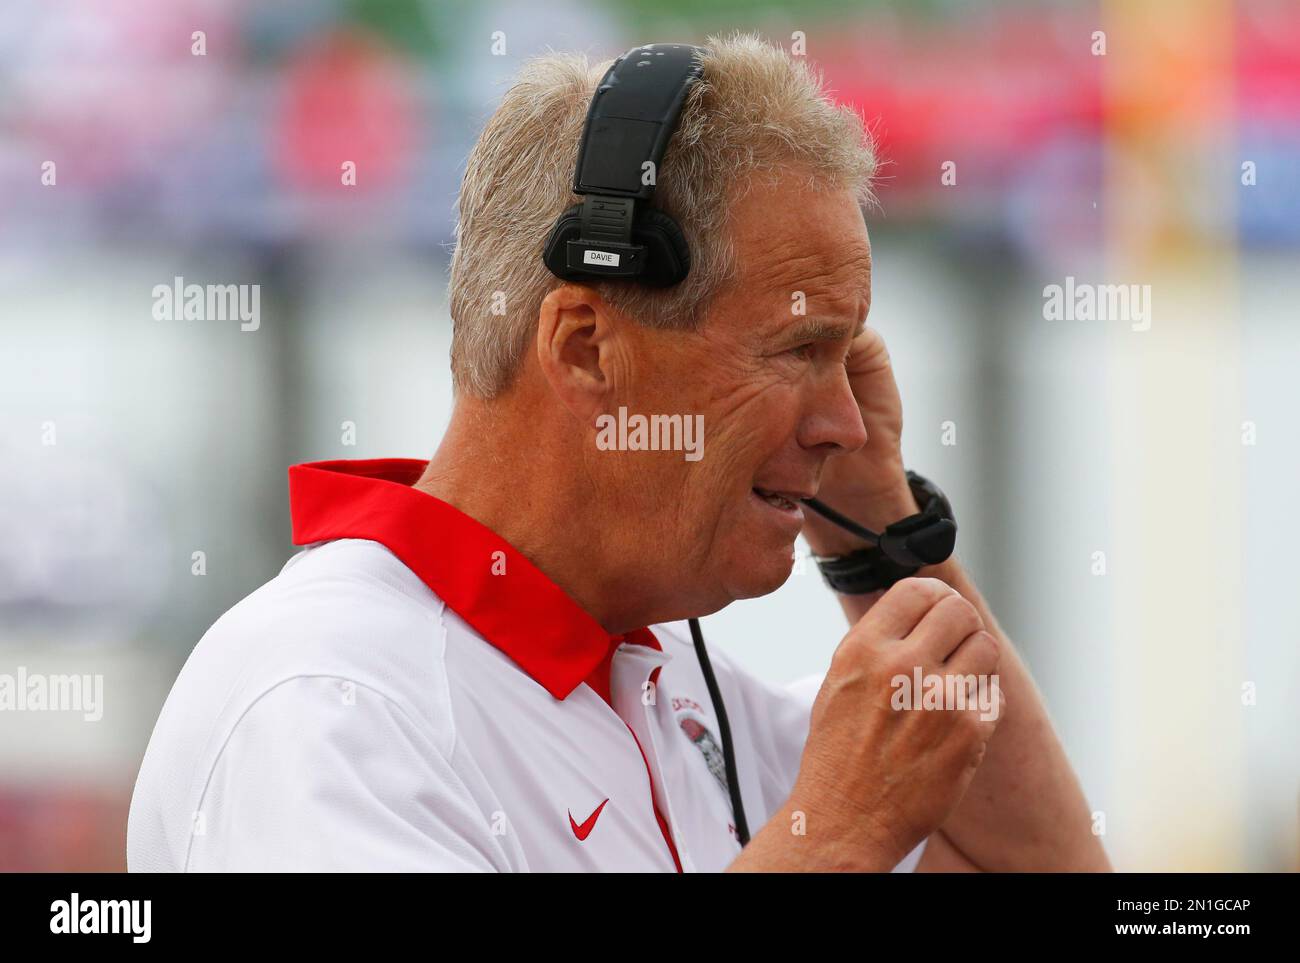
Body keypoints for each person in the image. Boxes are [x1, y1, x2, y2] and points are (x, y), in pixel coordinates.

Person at [127, 34, 1110, 872]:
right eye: (797, 350)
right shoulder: (319, 699)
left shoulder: (675, 685)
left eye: (842, 357)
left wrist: (882, 525)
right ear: (586, 347)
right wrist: (832, 838)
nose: (844, 420)